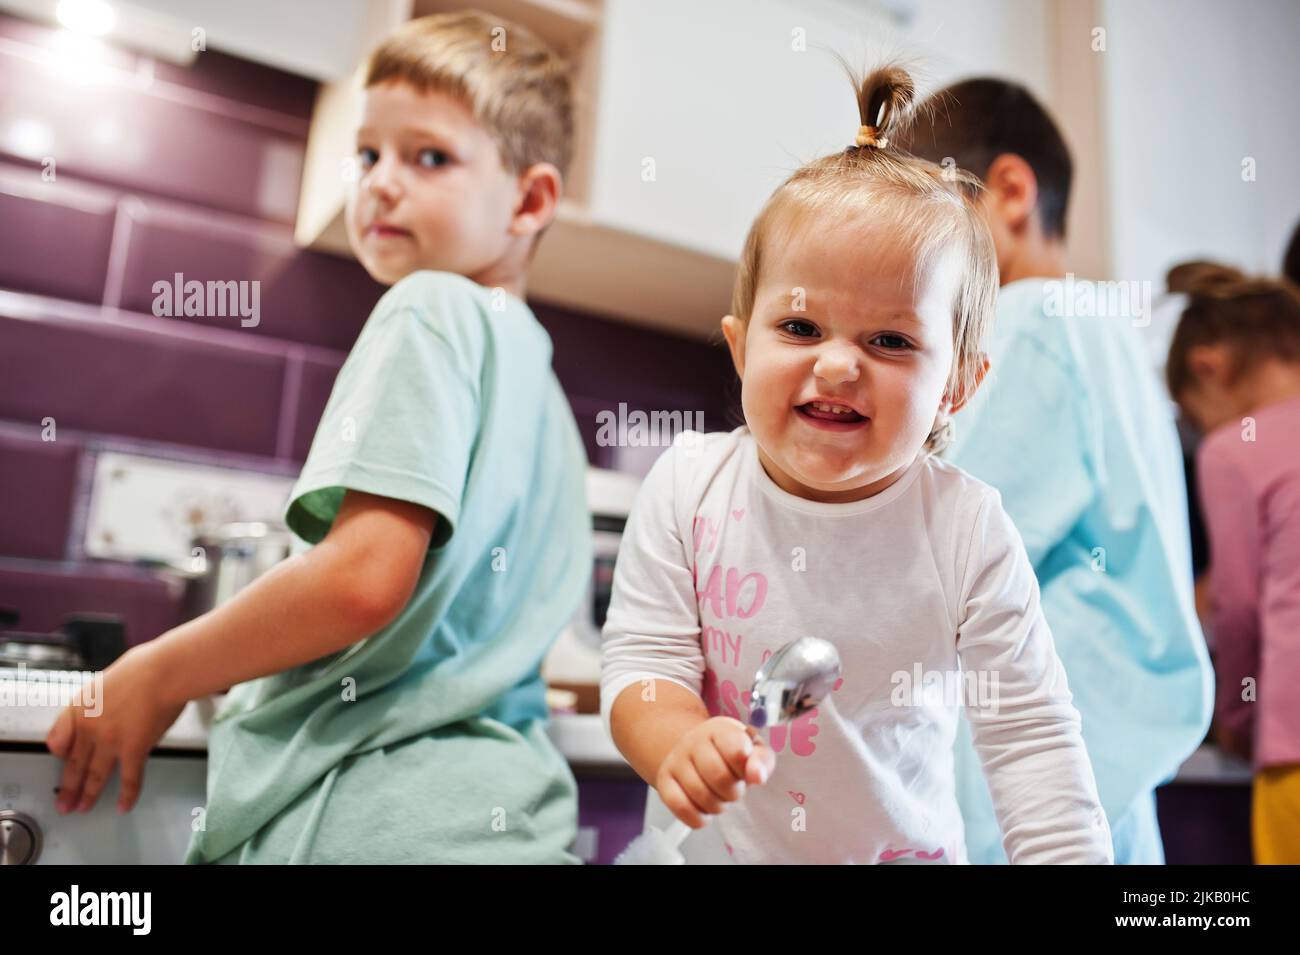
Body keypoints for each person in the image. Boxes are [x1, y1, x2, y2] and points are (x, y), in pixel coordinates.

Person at [47, 11, 591, 863]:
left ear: (529, 199)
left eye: (429, 156)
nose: (380, 182)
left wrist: (157, 669)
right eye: (368, 154)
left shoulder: (430, 306)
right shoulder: (548, 394)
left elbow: (362, 580)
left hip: (374, 819)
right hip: (505, 816)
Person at [600, 65, 1112, 864]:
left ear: (958, 387)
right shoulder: (688, 486)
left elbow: (1031, 742)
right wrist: (677, 742)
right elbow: (642, 663)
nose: (838, 365)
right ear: (741, 347)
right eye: (800, 326)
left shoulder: (966, 529)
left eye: (891, 341)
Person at [897, 78, 1214, 865]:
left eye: (925, 225)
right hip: (1096, 800)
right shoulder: (1103, 334)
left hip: (1021, 809)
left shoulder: (1031, 322)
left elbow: (921, 551)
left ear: (1009, 191)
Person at [1165, 262, 1300, 864]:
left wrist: (1240, 724)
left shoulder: (1234, 447)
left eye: (1193, 415)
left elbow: (1239, 609)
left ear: (1208, 368)